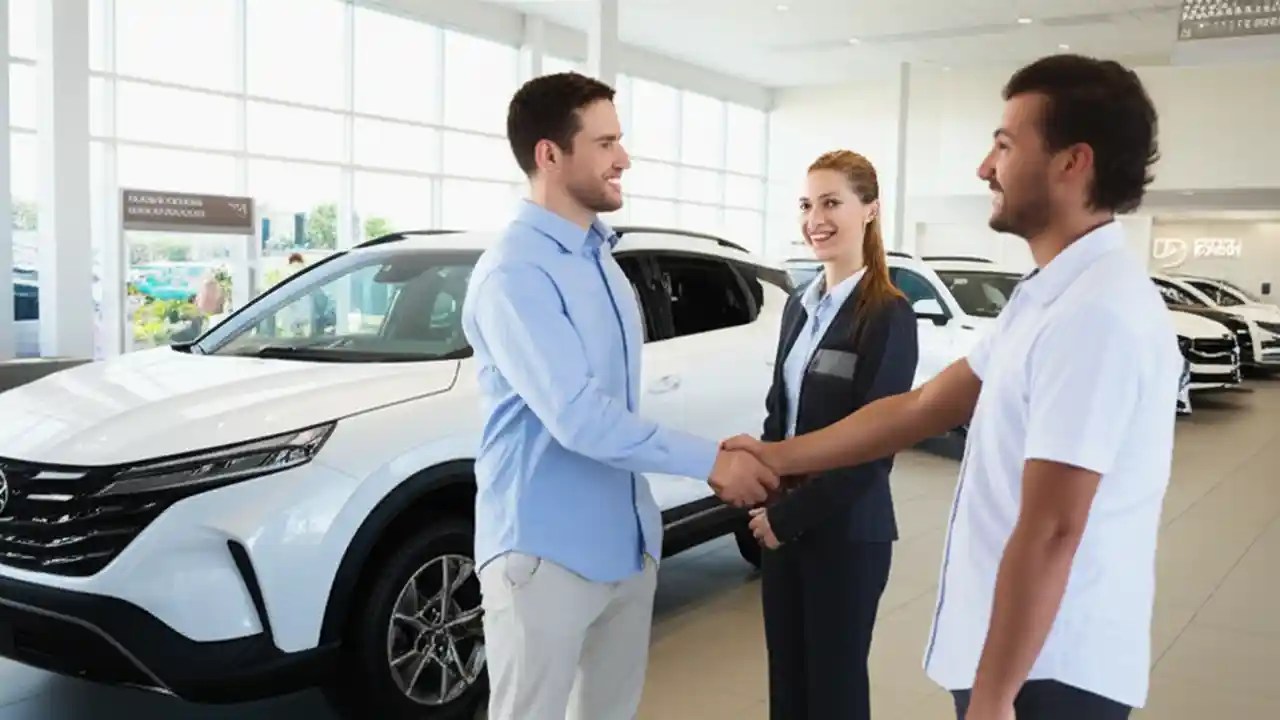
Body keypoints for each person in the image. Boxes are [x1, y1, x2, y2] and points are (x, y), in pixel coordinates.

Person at [724, 54, 1179, 720]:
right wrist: (774, 456)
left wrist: (994, 699)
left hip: (1050, 669)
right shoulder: (1044, 298)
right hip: (1018, 652)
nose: (984, 167)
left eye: (1004, 144)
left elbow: (1054, 527)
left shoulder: (1096, 314)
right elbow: (921, 407)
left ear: (1071, 162)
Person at [460, 71, 779, 720]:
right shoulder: (514, 271)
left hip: (627, 542)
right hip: (545, 553)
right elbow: (577, 416)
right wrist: (712, 461)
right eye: (606, 143)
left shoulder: (599, 256)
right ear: (550, 154)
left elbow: (617, 400)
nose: (624, 158)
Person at [751, 149, 918, 720]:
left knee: (834, 693)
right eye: (806, 204)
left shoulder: (888, 315)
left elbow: (874, 449)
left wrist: (787, 517)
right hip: (784, 530)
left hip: (847, 534)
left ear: (869, 210)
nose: (814, 219)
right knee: (787, 687)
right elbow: (780, 416)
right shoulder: (800, 308)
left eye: (831, 203)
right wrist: (766, 495)